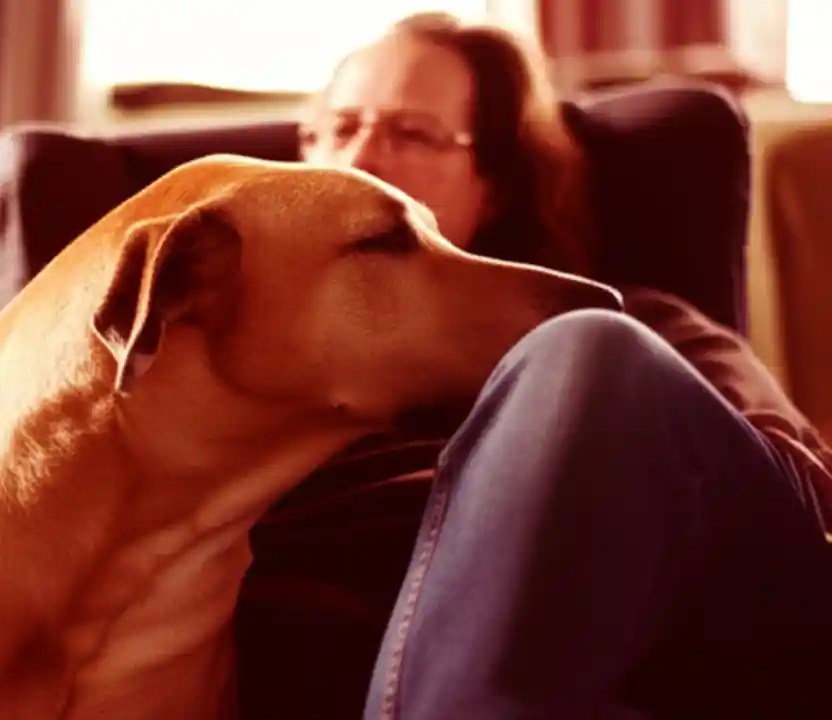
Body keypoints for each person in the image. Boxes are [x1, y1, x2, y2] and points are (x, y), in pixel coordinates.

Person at [232, 12, 832, 719]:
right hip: (364, 654)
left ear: (496, 184)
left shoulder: (638, 326)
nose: (358, 159)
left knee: (588, 346)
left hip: (675, 629)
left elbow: (802, 500)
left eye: (409, 133)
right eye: (338, 128)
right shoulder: (239, 371)